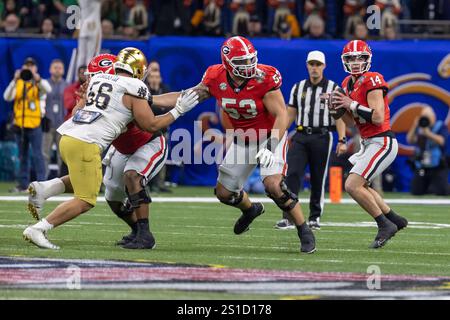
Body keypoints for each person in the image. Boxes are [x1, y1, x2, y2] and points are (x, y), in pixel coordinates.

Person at [23, 47, 199, 250]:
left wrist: (190, 94)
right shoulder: (131, 85)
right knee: (86, 199)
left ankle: (45, 188)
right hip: (91, 144)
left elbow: (77, 112)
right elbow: (149, 123)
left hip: (69, 138)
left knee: (99, 179)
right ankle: (40, 228)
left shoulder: (97, 83)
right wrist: (178, 111)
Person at [187, 36, 316, 253]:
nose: (248, 66)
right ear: (227, 63)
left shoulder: (265, 77)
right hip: (243, 139)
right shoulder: (214, 77)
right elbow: (189, 96)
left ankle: (304, 229)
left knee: (274, 186)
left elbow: (282, 114)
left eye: (250, 60)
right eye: (241, 62)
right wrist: (150, 100)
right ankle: (250, 210)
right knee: (224, 193)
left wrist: (272, 144)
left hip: (269, 135)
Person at [328, 40, 408, 249]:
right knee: (360, 185)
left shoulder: (373, 79)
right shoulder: (347, 83)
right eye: (351, 58)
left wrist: (350, 104)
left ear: (368, 59)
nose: (356, 62)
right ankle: (395, 220)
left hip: (382, 141)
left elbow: (378, 116)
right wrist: (336, 108)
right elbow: (349, 122)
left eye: (360, 57)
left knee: (352, 185)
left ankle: (384, 224)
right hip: (368, 142)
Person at [275, 51, 347, 231]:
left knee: (318, 178)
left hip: (322, 136)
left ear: (324, 66)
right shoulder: (298, 88)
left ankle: (314, 217)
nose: (315, 68)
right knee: (292, 174)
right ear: (307, 65)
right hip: (300, 135)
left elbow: (339, 117)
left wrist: (342, 139)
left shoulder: (333, 88)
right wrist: (276, 137)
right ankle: (288, 216)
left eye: (318, 64)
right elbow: (289, 114)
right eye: (312, 64)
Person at [3, 57, 51, 192]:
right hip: (19, 124)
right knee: (22, 155)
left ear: (35, 68)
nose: (29, 68)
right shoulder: (18, 82)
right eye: (27, 66)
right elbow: (7, 97)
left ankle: (42, 184)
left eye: (32, 66)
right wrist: (14, 80)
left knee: (38, 154)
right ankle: (23, 184)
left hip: (35, 124)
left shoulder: (38, 83)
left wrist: (38, 79)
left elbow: (48, 90)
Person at [407, 107, 449, 196]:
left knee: (441, 192)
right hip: (422, 165)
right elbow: (410, 140)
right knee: (416, 191)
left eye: (428, 117)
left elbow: (441, 141)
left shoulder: (440, 126)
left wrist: (428, 133)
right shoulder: (419, 128)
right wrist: (414, 126)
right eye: (424, 116)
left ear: (433, 117)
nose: (426, 119)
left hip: (437, 166)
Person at [42, 59, 68, 177]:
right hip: (47, 123)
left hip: (62, 124)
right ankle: (43, 179)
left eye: (59, 67)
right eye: (55, 67)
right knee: (44, 153)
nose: (57, 69)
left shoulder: (67, 85)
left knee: (62, 153)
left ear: (63, 70)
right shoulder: (44, 84)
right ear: (50, 69)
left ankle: (62, 179)